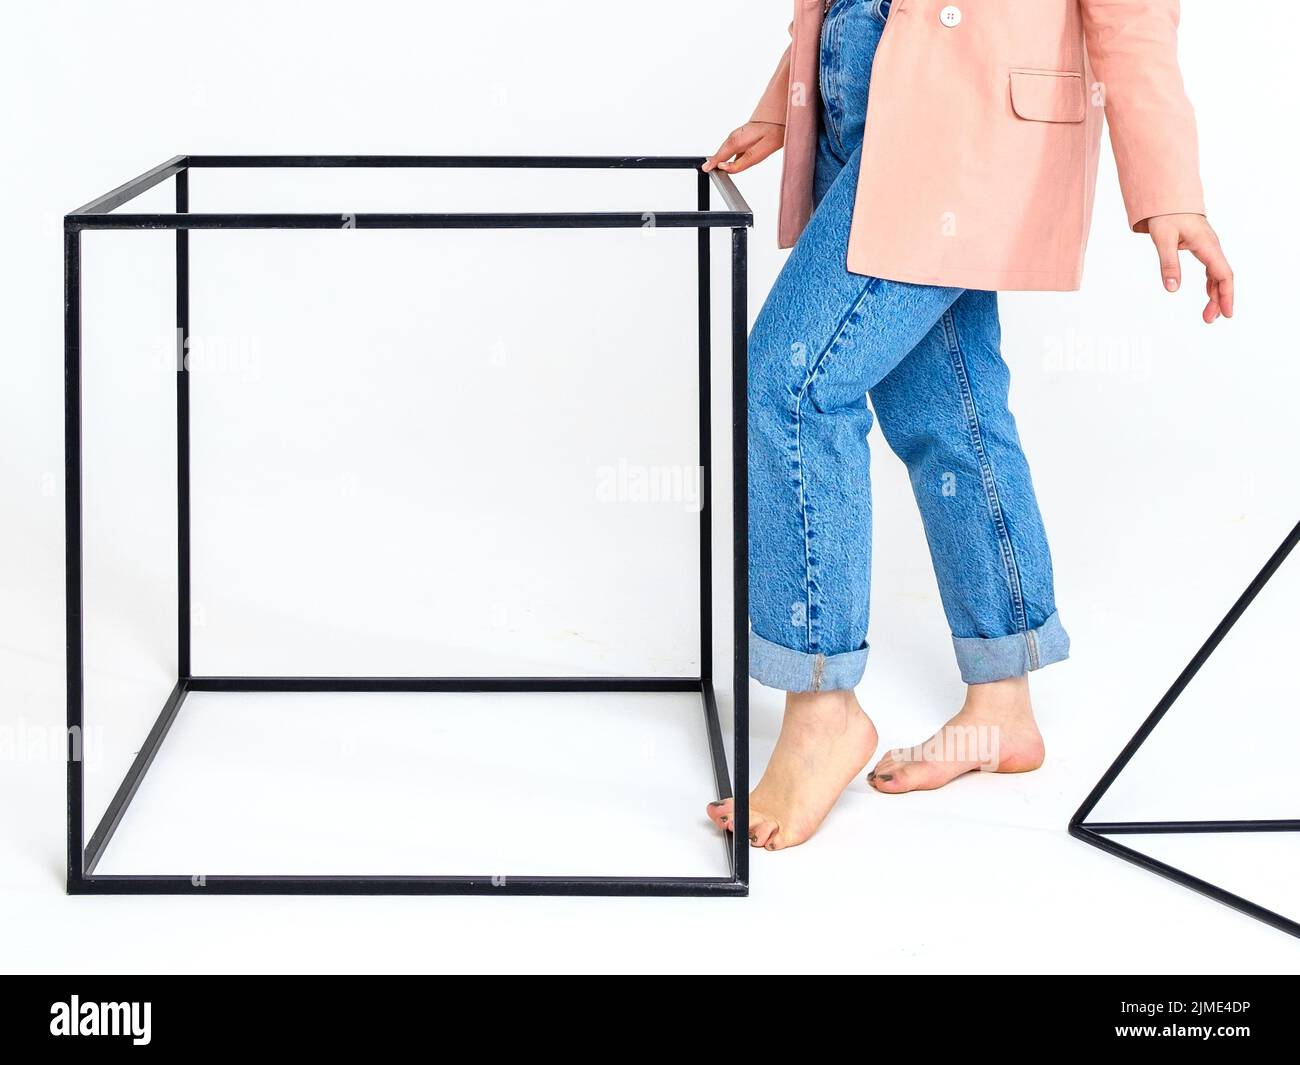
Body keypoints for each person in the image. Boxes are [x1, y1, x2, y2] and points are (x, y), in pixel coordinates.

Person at [702, 0, 1234, 851]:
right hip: (862, 109)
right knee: (949, 409)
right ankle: (1003, 702)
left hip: (968, 133)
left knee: (793, 384)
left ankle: (822, 707)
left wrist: (1171, 192)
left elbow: (1133, 19)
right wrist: (787, 97)